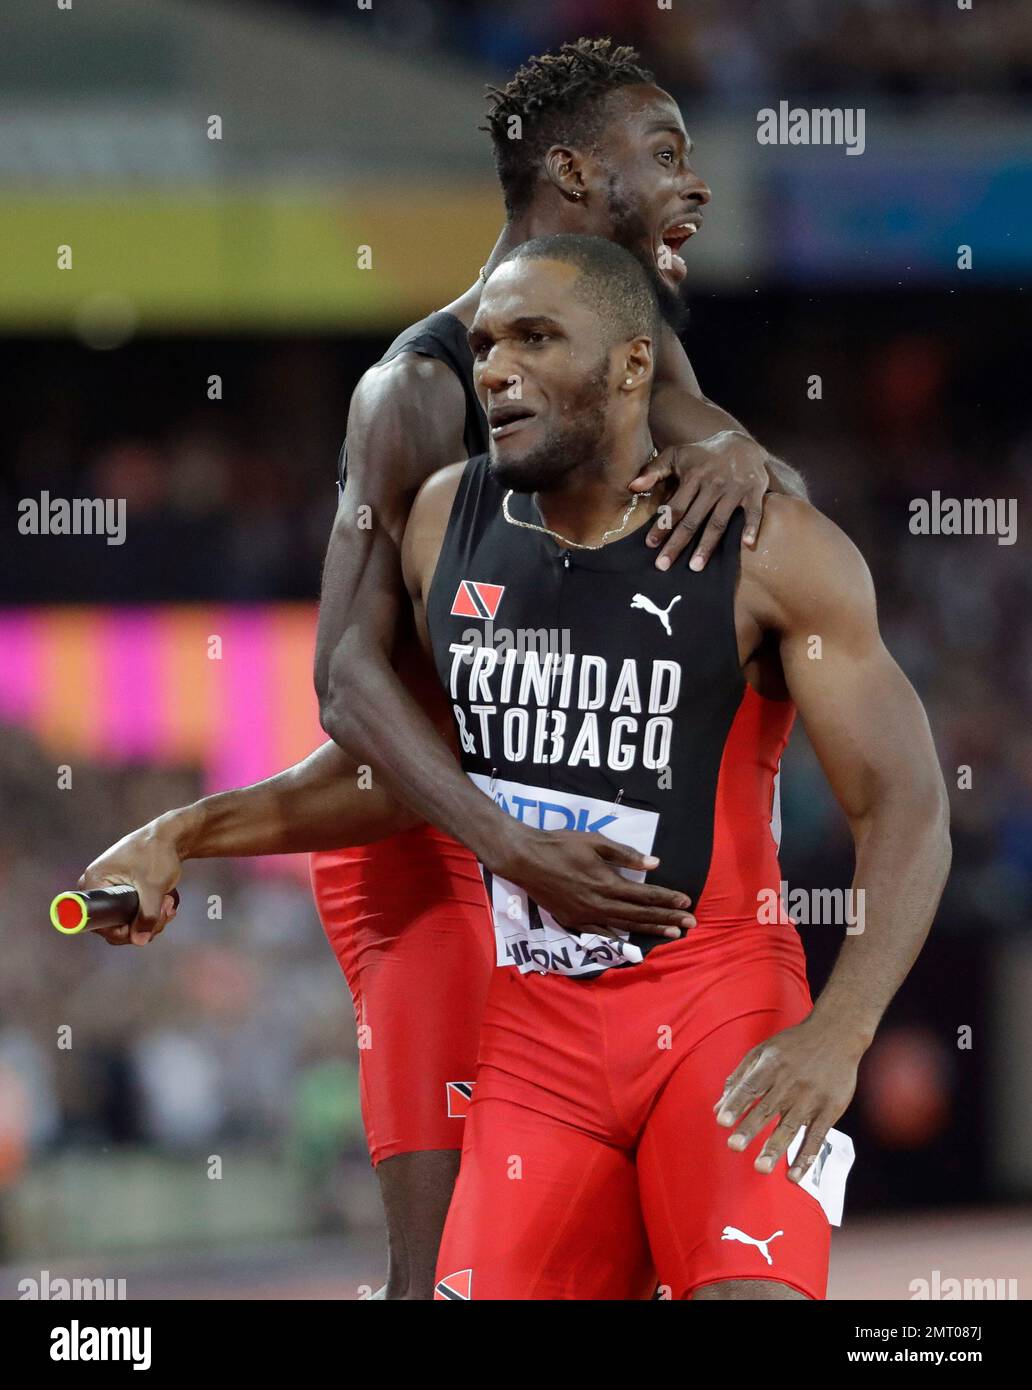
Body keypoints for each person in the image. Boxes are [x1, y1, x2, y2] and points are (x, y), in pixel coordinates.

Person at [80, 39, 807, 1300]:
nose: (695, 188)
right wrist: (509, 846)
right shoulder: (414, 394)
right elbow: (350, 691)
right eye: (667, 156)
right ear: (577, 175)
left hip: (544, 820)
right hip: (427, 851)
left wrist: (749, 460)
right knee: (449, 1261)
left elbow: (775, 518)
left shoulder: (640, 351)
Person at [391, 233, 951, 1299]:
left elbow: (907, 802)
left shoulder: (773, 550)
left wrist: (841, 1030)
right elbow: (385, 760)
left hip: (723, 1011)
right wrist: (189, 829)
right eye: (485, 344)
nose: (495, 368)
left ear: (634, 364)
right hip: (535, 1038)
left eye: (535, 337)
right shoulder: (438, 526)